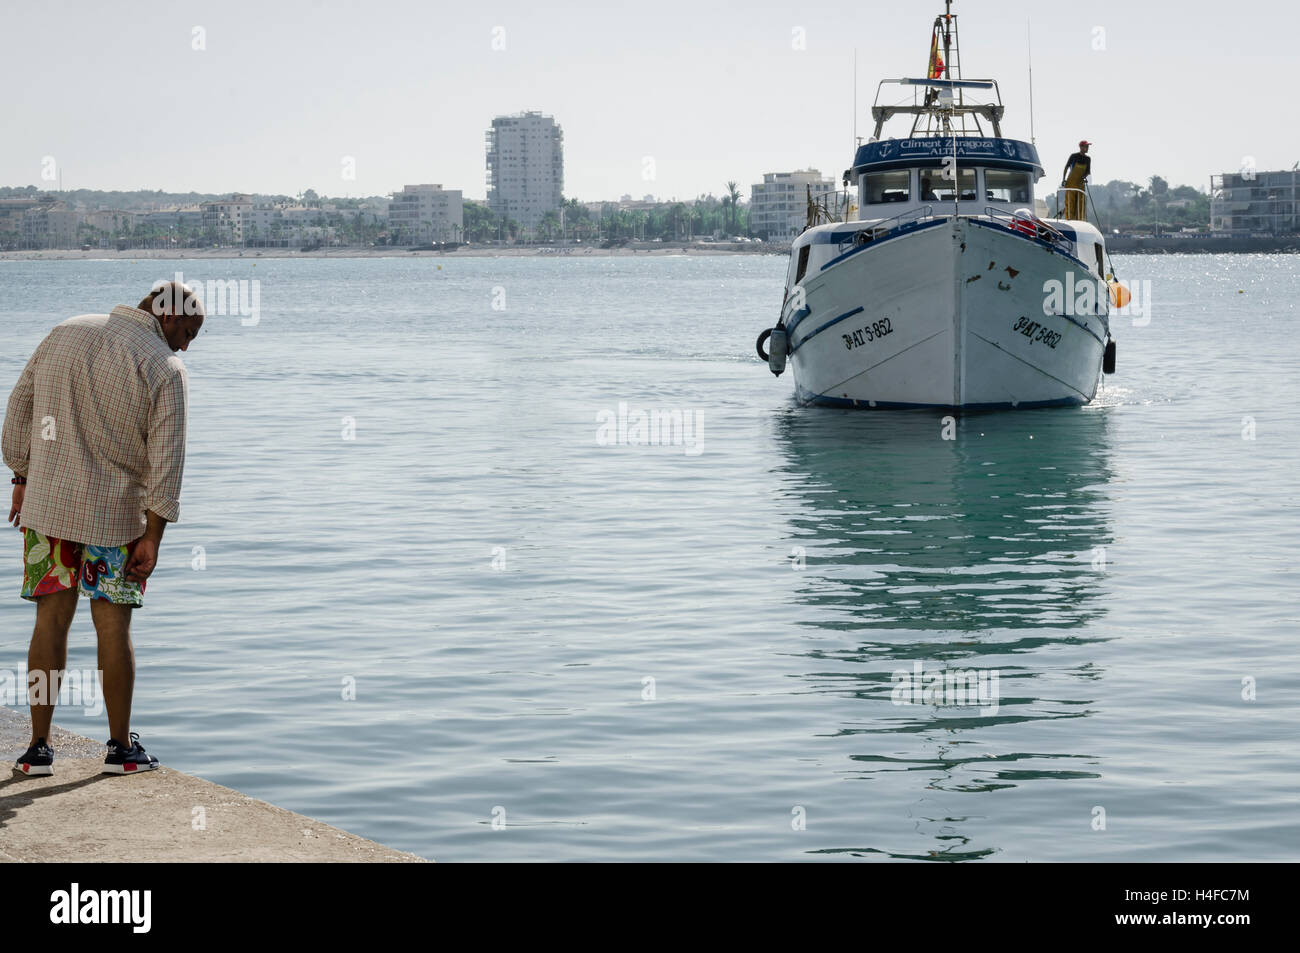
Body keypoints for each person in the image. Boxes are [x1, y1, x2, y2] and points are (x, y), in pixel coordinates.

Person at [4, 281, 203, 777]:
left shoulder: (64, 332)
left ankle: (38, 750)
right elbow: (166, 461)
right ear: (168, 315)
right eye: (188, 330)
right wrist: (154, 535)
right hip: (115, 519)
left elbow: (18, 409)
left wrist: (22, 473)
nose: (185, 344)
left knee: (49, 624)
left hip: (49, 509)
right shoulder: (165, 368)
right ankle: (119, 750)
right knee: (112, 627)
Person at [1062, 140, 1092, 220]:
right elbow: (1066, 167)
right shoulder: (1074, 156)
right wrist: (1063, 179)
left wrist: (1083, 177)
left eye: (1088, 146)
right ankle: (1069, 219)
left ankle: (1080, 220)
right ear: (1081, 147)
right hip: (1071, 183)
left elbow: (1087, 172)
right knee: (1070, 203)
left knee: (1081, 203)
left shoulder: (1088, 159)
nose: (1087, 148)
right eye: (1086, 146)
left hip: (1080, 184)